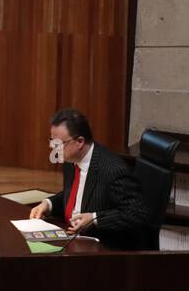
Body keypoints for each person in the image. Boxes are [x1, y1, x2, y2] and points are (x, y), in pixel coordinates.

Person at [28, 107, 152, 251]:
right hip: (70, 236)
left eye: (58, 144)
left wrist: (95, 219)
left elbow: (137, 212)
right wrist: (48, 204)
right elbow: (73, 195)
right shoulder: (71, 161)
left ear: (80, 142)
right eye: (52, 142)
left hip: (102, 247)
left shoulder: (112, 170)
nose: (54, 149)